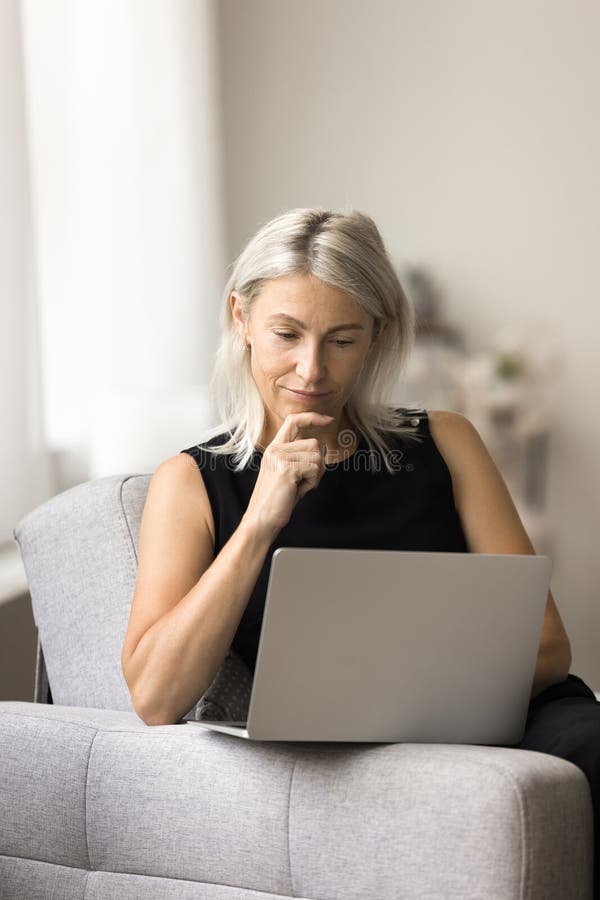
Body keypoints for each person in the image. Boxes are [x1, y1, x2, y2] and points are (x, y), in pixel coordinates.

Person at [121, 207, 600, 894]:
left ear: (378, 336)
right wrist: (261, 520)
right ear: (242, 318)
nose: (311, 370)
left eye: (342, 340)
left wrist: (413, 702)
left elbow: (548, 647)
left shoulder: (445, 440)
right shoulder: (192, 483)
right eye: (286, 334)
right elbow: (156, 696)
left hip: (512, 719)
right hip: (338, 759)